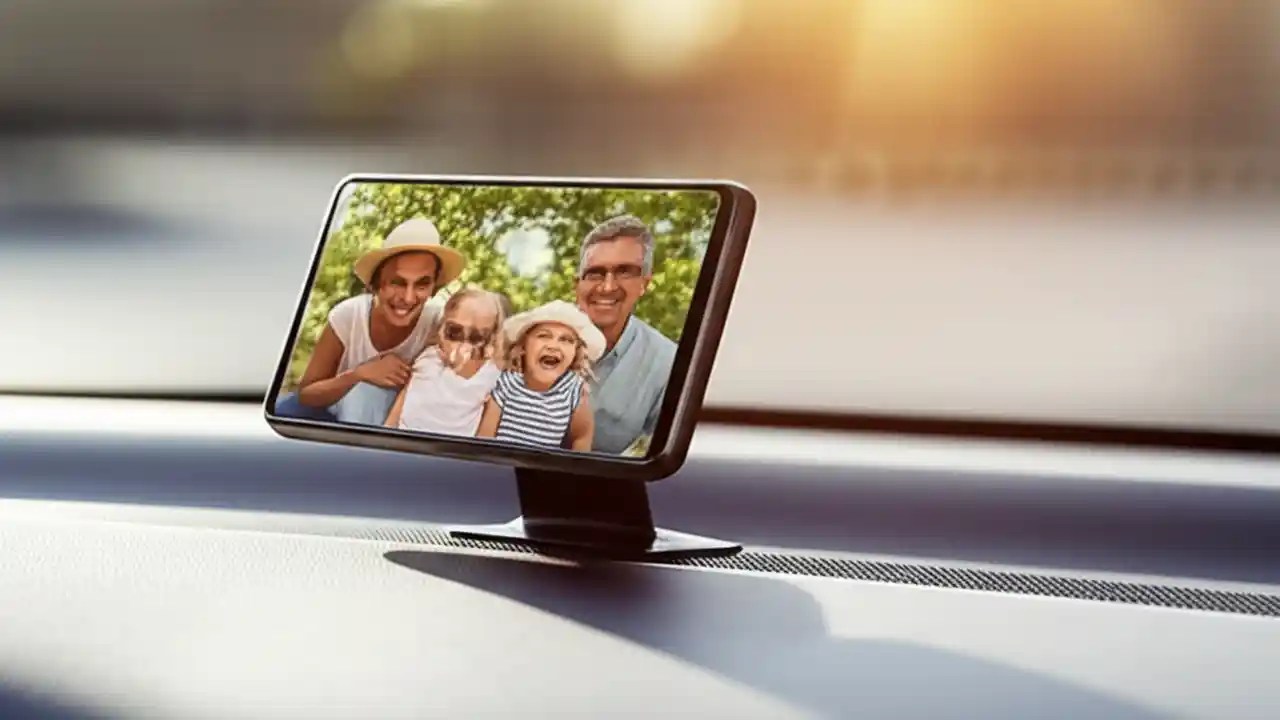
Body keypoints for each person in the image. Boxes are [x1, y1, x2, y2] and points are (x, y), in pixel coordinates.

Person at [274, 217, 466, 425]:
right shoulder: (348, 316)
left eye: (422, 284)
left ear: (433, 287)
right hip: (333, 411)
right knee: (280, 412)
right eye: (397, 282)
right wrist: (360, 374)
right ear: (377, 283)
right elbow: (307, 394)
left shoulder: (438, 323)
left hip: (389, 422)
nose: (408, 298)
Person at [574, 215, 676, 454]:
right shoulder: (527, 336)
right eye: (596, 273)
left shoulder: (668, 364)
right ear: (577, 283)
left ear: (644, 284)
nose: (607, 286)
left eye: (624, 272)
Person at [476, 300, 605, 451]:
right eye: (543, 336)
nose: (553, 346)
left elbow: (582, 437)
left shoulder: (573, 390)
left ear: (576, 353)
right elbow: (484, 440)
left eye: (566, 340)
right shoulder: (507, 384)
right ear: (523, 347)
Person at [384, 288, 505, 436]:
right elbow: (405, 396)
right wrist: (387, 431)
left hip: (451, 453)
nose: (462, 344)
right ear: (442, 328)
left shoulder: (490, 374)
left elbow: (486, 431)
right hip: (407, 444)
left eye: (475, 338)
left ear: (491, 341)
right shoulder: (429, 358)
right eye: (454, 332)